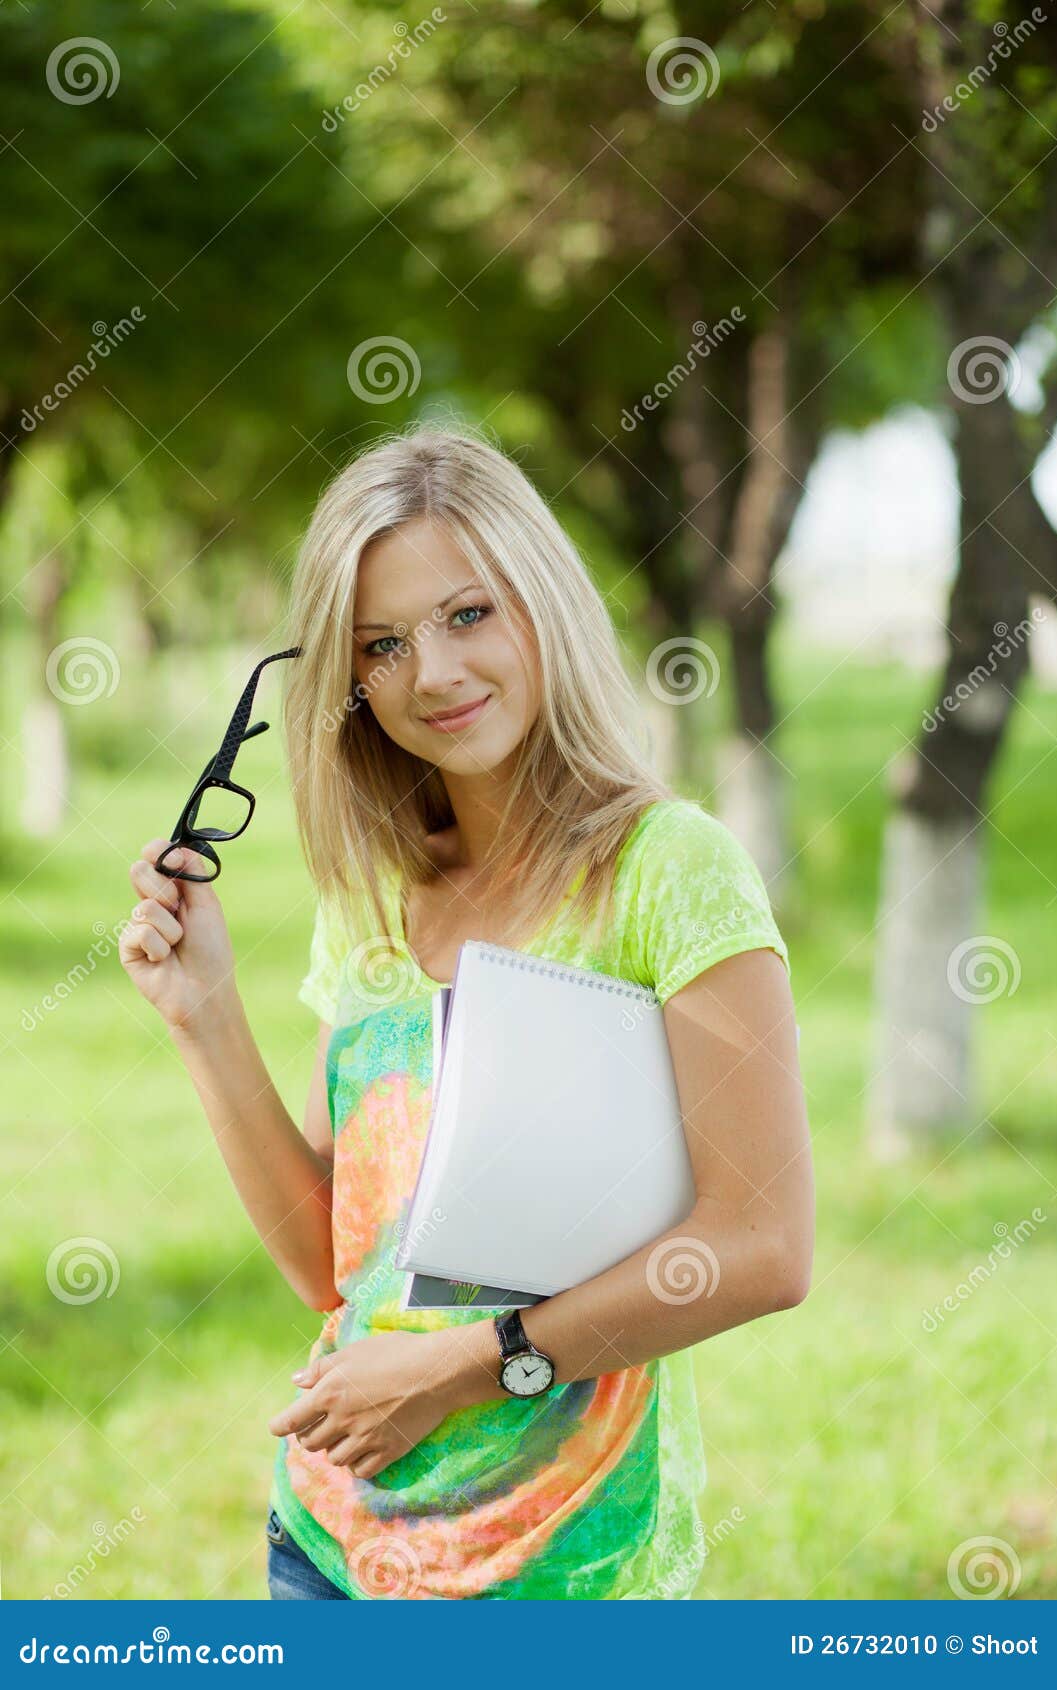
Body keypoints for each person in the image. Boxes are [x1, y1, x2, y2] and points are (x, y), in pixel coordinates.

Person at [119, 423, 814, 1601]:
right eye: (381, 644)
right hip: (335, 1542)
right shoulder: (378, 905)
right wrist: (207, 1014)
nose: (431, 672)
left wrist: (461, 1368)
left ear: (541, 606)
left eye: (467, 614)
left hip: (567, 1560)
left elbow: (758, 1251)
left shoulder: (666, 870)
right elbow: (333, 1265)